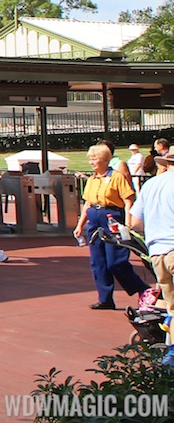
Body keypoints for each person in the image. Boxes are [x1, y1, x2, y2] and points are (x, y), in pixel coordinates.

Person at [72, 143, 146, 309]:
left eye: (95, 159)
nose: (92, 162)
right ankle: (105, 298)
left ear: (105, 160)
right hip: (95, 220)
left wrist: (127, 222)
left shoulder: (116, 177)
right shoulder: (92, 180)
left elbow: (128, 200)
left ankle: (142, 289)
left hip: (111, 217)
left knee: (115, 261)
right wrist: (80, 225)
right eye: (90, 159)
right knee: (98, 261)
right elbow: (88, 203)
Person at [128, 148, 174, 366]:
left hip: (157, 253)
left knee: (172, 305)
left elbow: (135, 222)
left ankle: (170, 355)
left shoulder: (152, 184)